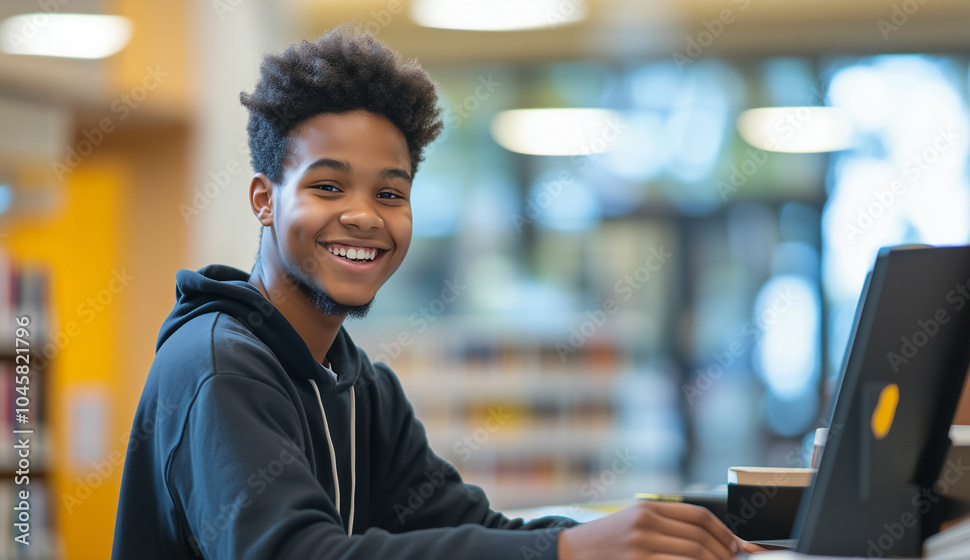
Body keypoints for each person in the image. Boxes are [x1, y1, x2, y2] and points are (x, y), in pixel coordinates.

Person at [111, 24, 763, 560]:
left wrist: (629, 538)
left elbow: (470, 531)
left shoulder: (363, 386)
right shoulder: (217, 365)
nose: (364, 215)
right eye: (328, 186)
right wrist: (567, 552)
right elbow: (295, 553)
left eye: (389, 193)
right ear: (264, 200)